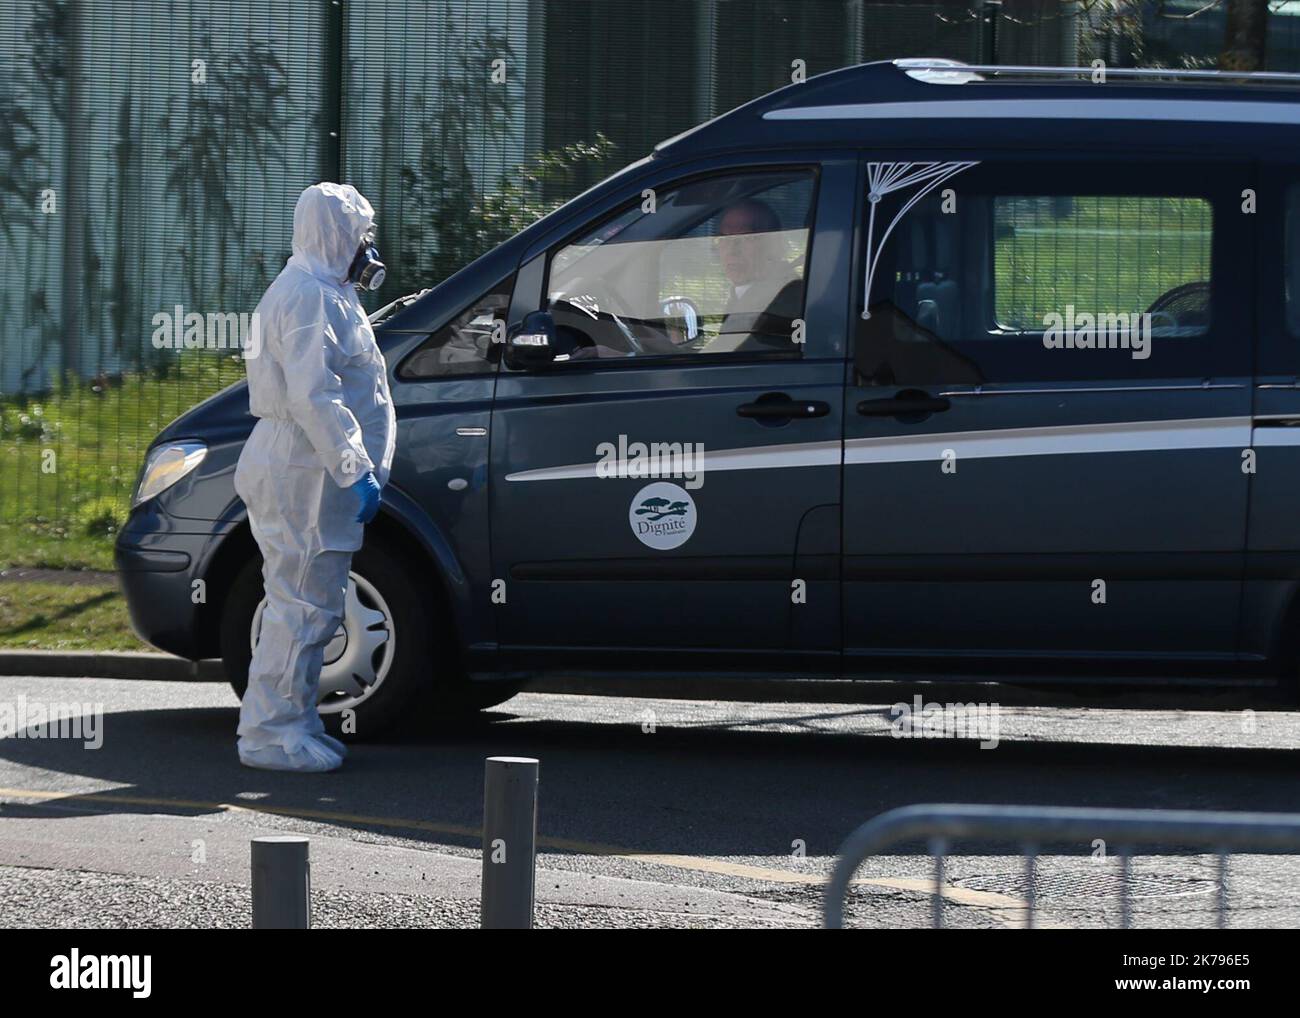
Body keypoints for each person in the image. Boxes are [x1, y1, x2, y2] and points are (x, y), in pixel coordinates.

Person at [233, 182, 396, 772]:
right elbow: (314, 396)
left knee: (314, 605)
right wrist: (354, 467)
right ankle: (269, 734)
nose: (367, 247)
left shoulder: (328, 292)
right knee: (299, 605)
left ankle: (292, 722)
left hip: (311, 469)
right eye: (361, 235)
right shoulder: (306, 296)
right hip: (302, 468)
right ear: (335, 234)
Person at [711, 198, 803, 353]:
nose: (732, 250)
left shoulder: (787, 299)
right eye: (724, 239)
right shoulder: (746, 293)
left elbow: (735, 363)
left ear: (774, 244)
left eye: (748, 238)